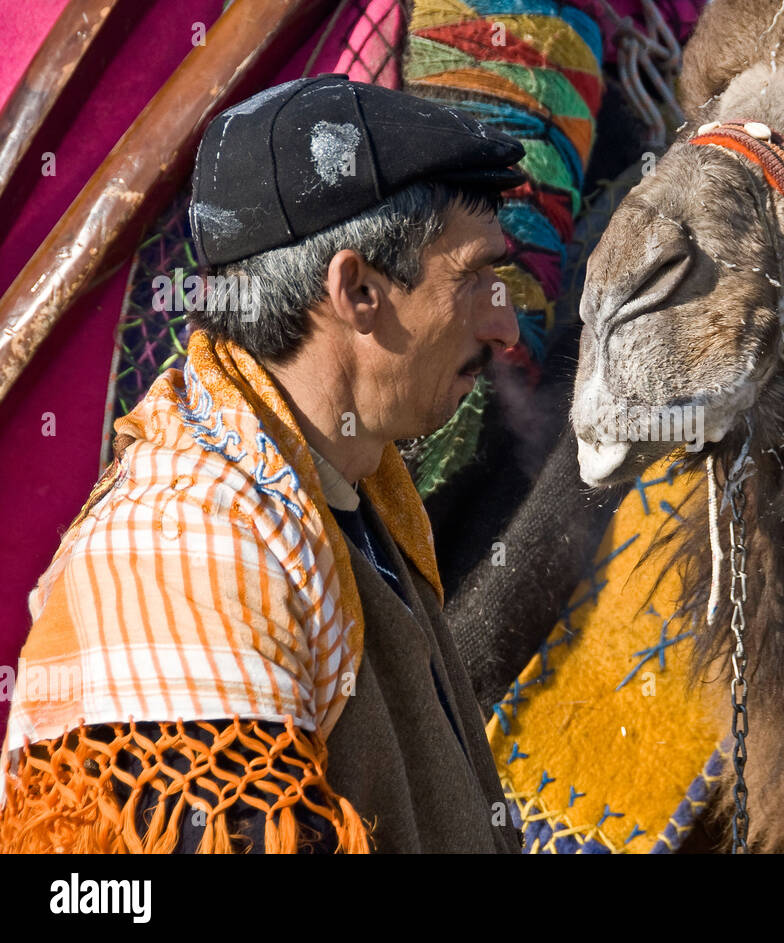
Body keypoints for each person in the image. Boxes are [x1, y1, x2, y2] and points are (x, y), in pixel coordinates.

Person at [0, 75, 526, 853]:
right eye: (476, 279)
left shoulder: (343, 489)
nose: (506, 326)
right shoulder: (182, 546)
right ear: (357, 290)